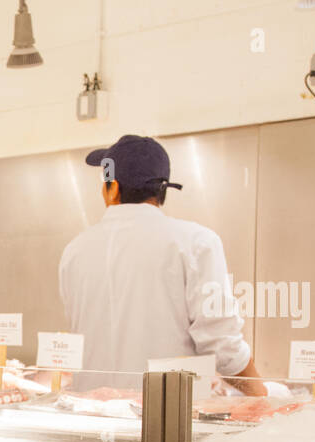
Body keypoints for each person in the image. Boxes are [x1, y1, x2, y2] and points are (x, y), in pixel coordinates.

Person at [58, 134, 265, 395]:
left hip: (88, 415)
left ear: (112, 188)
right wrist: (261, 395)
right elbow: (222, 345)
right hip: (164, 420)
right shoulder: (196, 242)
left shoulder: (74, 251)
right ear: (162, 190)